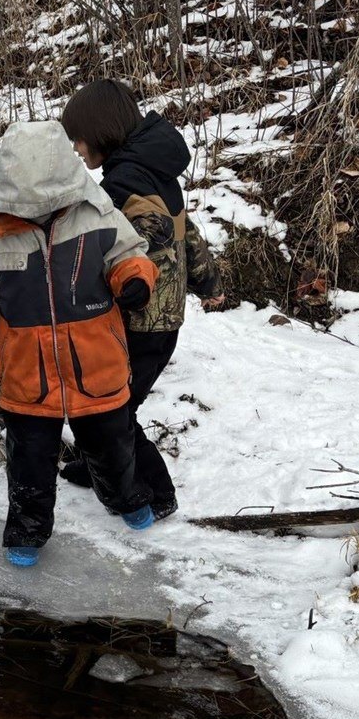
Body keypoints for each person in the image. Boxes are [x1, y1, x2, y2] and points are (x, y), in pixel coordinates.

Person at [0, 120, 159, 568]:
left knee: (113, 446)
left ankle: (127, 498)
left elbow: (129, 253)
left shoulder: (96, 211)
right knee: (28, 464)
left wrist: (134, 280)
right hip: (26, 374)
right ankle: (27, 529)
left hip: (97, 363)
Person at [59, 81, 224, 521]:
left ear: (100, 131)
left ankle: (156, 491)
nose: (76, 148)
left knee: (115, 410)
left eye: (78, 138)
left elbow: (146, 240)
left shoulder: (124, 181)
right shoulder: (151, 169)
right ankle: (102, 467)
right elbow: (185, 231)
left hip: (142, 322)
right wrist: (208, 281)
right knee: (112, 405)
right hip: (161, 321)